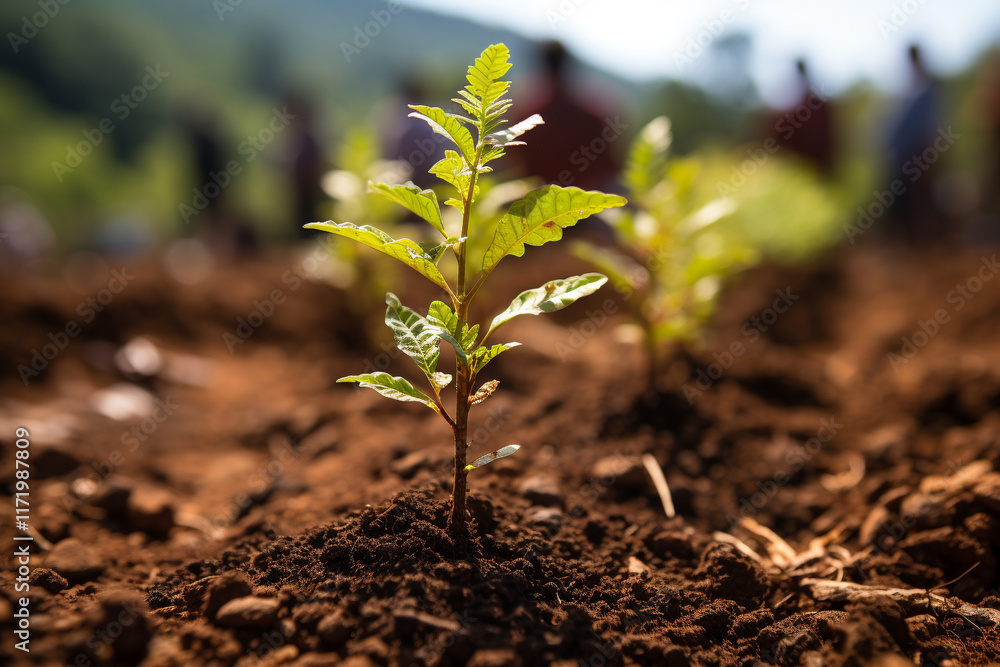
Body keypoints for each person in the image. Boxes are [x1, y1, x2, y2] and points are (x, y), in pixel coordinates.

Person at [510, 40, 622, 192]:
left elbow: (511, 169)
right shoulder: (591, 117)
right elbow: (608, 171)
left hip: (532, 209)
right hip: (579, 210)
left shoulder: (524, 117)